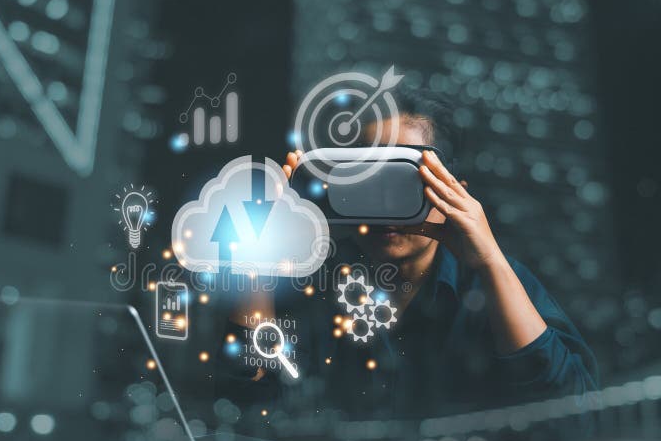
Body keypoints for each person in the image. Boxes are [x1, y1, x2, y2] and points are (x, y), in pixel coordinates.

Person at [220, 87, 598, 421]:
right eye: (366, 178)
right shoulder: (311, 281)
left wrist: (491, 262)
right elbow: (250, 401)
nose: (385, 202)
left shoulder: (492, 280)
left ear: (452, 190)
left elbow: (571, 409)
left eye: (403, 179)